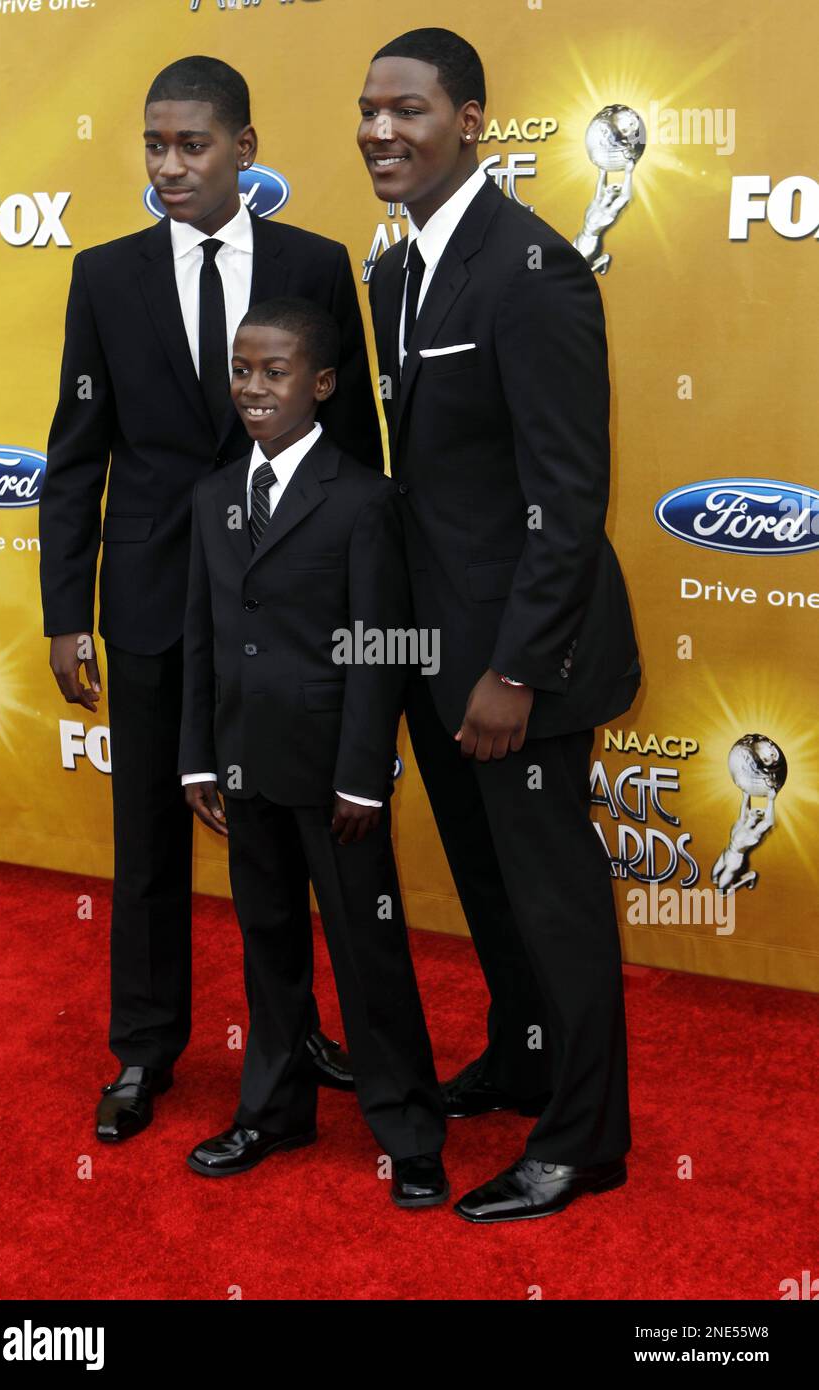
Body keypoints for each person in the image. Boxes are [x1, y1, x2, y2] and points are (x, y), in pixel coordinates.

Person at [40, 55, 383, 1143]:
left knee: (288, 836)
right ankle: (143, 1051)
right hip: (147, 599)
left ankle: (296, 1037)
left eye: (191, 144)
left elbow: (358, 460)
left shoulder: (317, 264)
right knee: (147, 839)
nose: (169, 164)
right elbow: (75, 453)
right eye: (154, 145)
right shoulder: (102, 274)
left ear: (244, 146)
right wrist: (64, 610)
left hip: (287, 612)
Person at [359, 28, 642, 1221]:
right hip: (430, 646)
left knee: (552, 893)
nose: (381, 131)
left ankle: (584, 1137)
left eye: (409, 110)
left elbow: (567, 490)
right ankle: (524, 1059)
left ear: (470, 120)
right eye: (368, 110)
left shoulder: (530, 268)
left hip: (524, 657)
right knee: (485, 881)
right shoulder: (392, 269)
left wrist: (513, 669)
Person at [178, 297, 448, 1208]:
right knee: (268, 949)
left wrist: (364, 777)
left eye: (275, 372)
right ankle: (275, 1109)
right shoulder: (214, 496)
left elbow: (385, 648)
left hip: (337, 780)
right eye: (242, 370)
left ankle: (409, 1127)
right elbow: (204, 637)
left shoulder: (364, 500)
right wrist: (197, 760)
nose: (253, 387)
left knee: (369, 952)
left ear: (323, 385)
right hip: (243, 765)